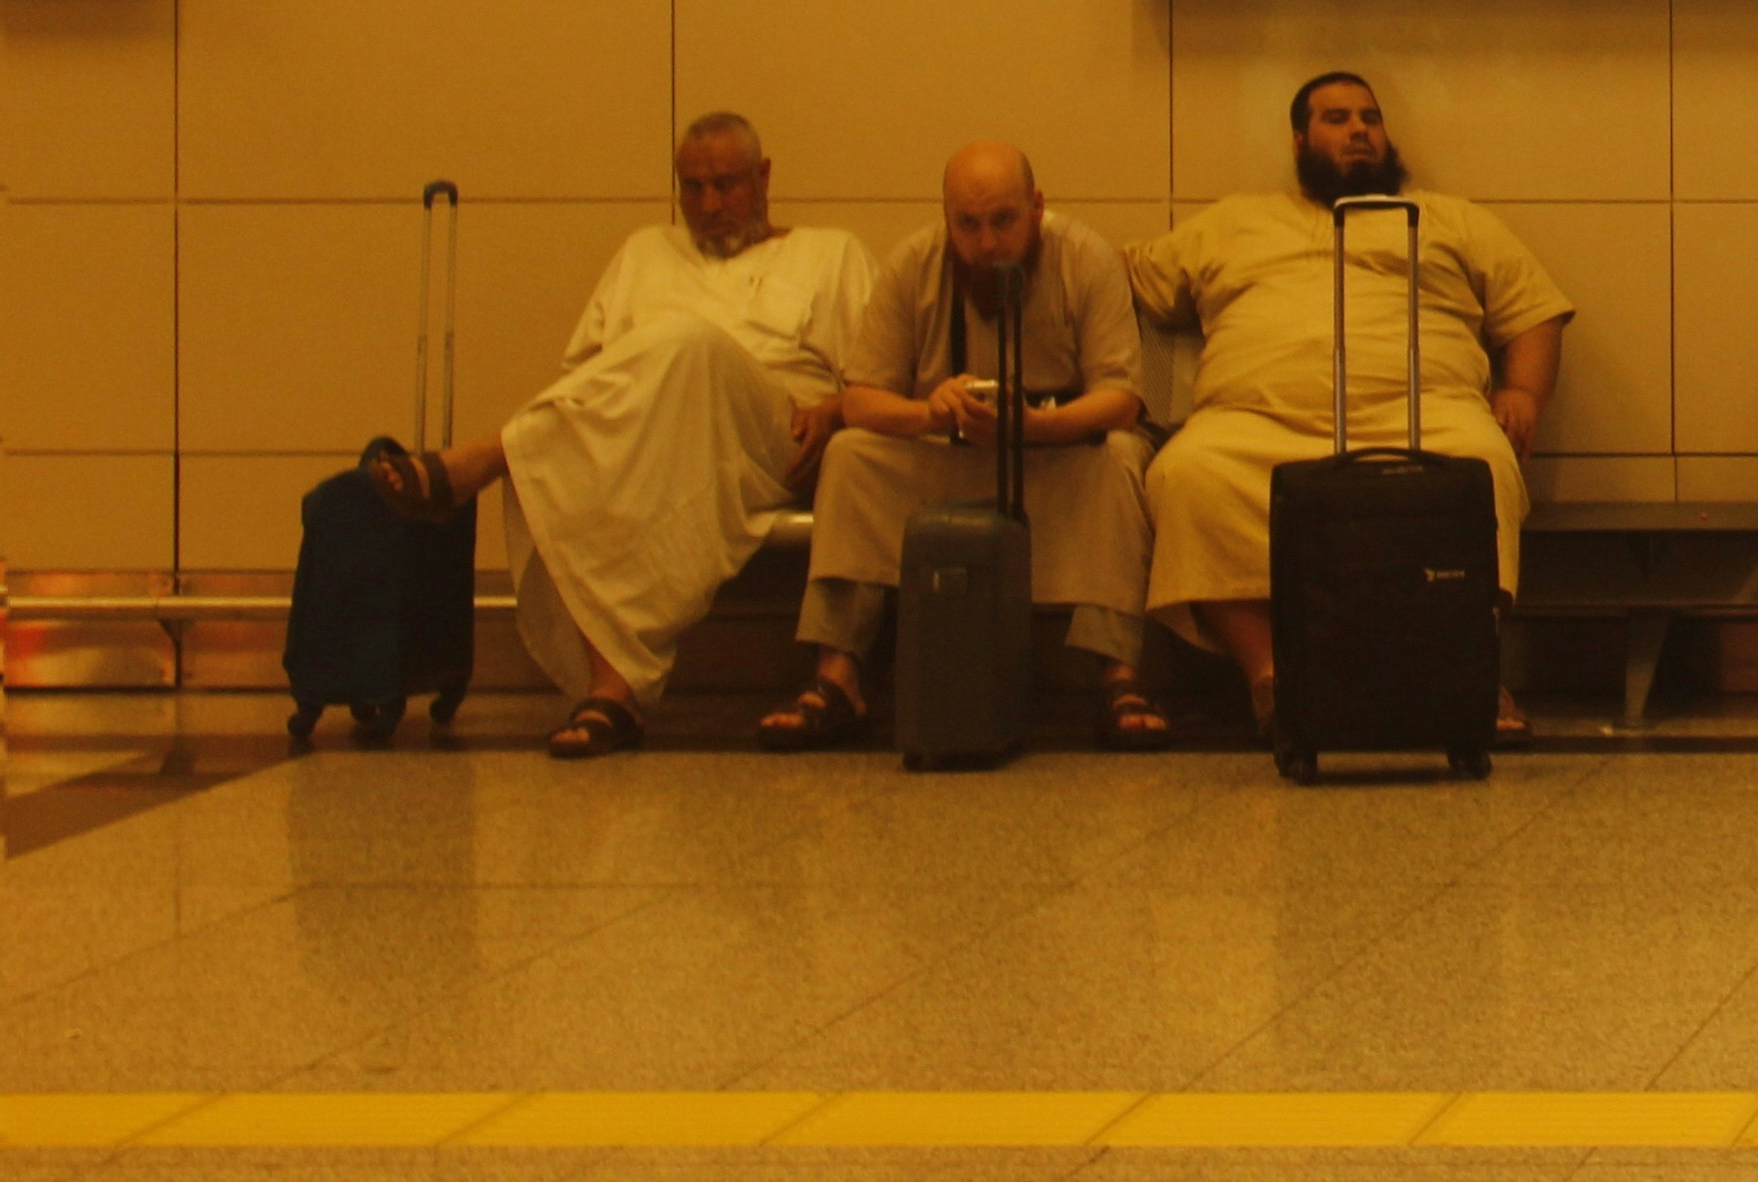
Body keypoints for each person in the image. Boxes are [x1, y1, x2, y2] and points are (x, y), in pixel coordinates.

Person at [353, 112, 868, 759]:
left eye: (727, 185)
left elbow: (880, 382)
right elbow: (586, 384)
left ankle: (486, 458)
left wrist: (837, 407)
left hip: (774, 435)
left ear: (764, 178)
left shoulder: (830, 254)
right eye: (693, 188)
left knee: (687, 340)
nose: (708, 205)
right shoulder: (645, 252)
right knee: (603, 444)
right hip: (658, 448)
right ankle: (612, 694)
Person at [1133, 71, 1576, 743]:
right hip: (1256, 427)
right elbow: (1126, 282)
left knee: (1479, 464)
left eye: (1369, 117)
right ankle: (1275, 680)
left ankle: (1466, 677)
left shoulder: (1449, 218)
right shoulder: (1235, 220)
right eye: (1337, 118)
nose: (1360, 130)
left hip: (1423, 414)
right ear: (1298, 139)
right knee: (1186, 472)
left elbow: (1536, 310)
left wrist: (1523, 392)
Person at [763, 140, 1165, 752]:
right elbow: (862, 399)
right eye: (967, 225)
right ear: (946, 218)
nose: (986, 245)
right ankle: (838, 674)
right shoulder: (914, 263)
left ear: (1036, 207)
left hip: (1052, 452)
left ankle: (1119, 676)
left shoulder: (1085, 258)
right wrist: (928, 412)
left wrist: (1030, 426)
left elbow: (1121, 400)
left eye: (1004, 221)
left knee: (1118, 461)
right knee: (850, 457)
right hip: (948, 451)